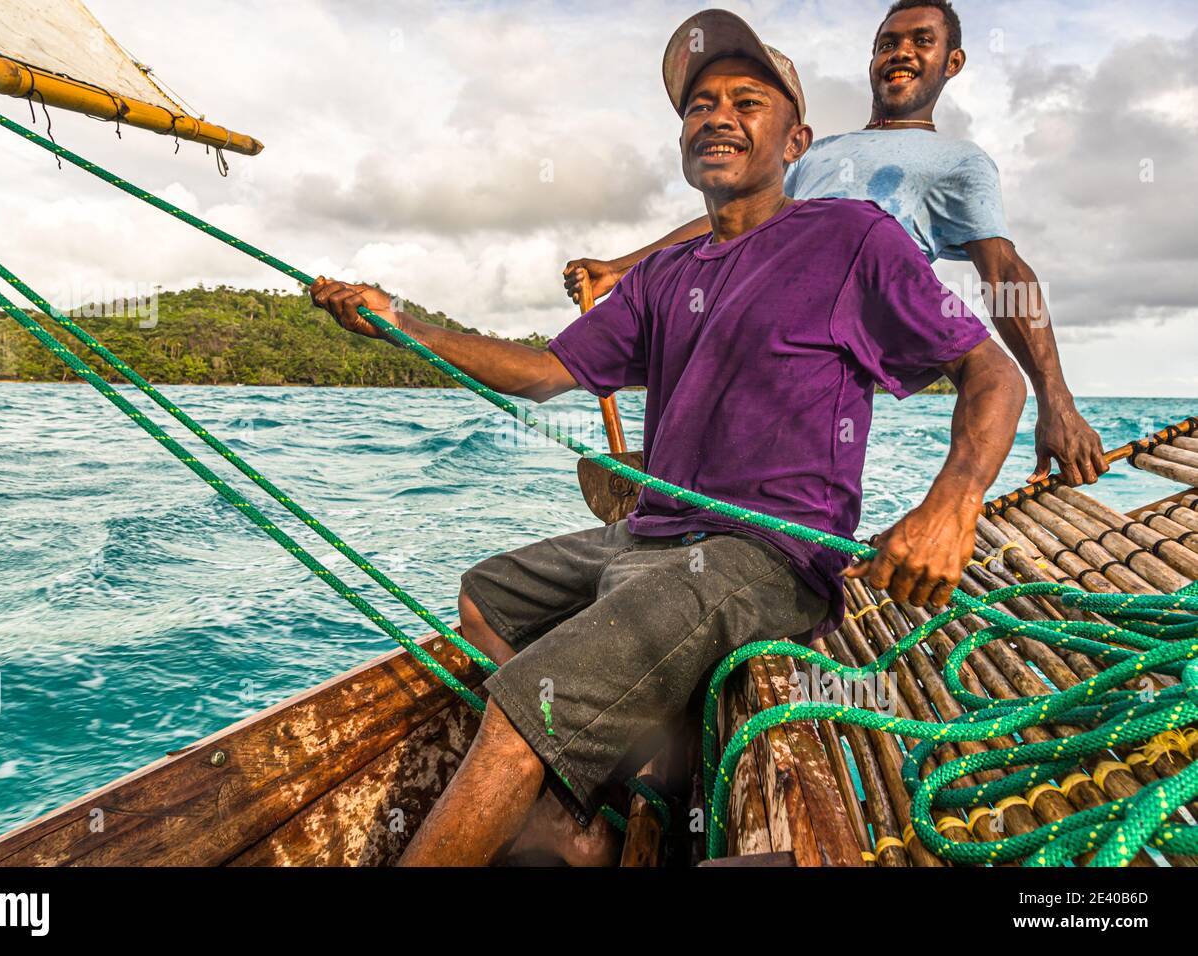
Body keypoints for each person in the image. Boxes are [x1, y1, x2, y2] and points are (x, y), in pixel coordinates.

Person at [309, 13, 1025, 866]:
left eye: (745, 101)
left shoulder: (849, 238)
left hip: (762, 556)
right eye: (699, 105)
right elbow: (544, 371)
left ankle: (562, 771)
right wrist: (405, 325)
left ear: (795, 139)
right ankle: (594, 809)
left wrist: (952, 504)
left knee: (525, 705)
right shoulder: (663, 277)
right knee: (483, 597)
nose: (716, 116)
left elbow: (993, 375)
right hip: (648, 534)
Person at [564, 1, 1105, 487]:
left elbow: (1004, 272)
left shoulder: (959, 163)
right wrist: (623, 267)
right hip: (747, 305)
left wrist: (1055, 399)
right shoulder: (816, 150)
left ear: (954, 62)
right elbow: (734, 220)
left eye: (922, 41)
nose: (902, 53)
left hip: (835, 320)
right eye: (887, 44)